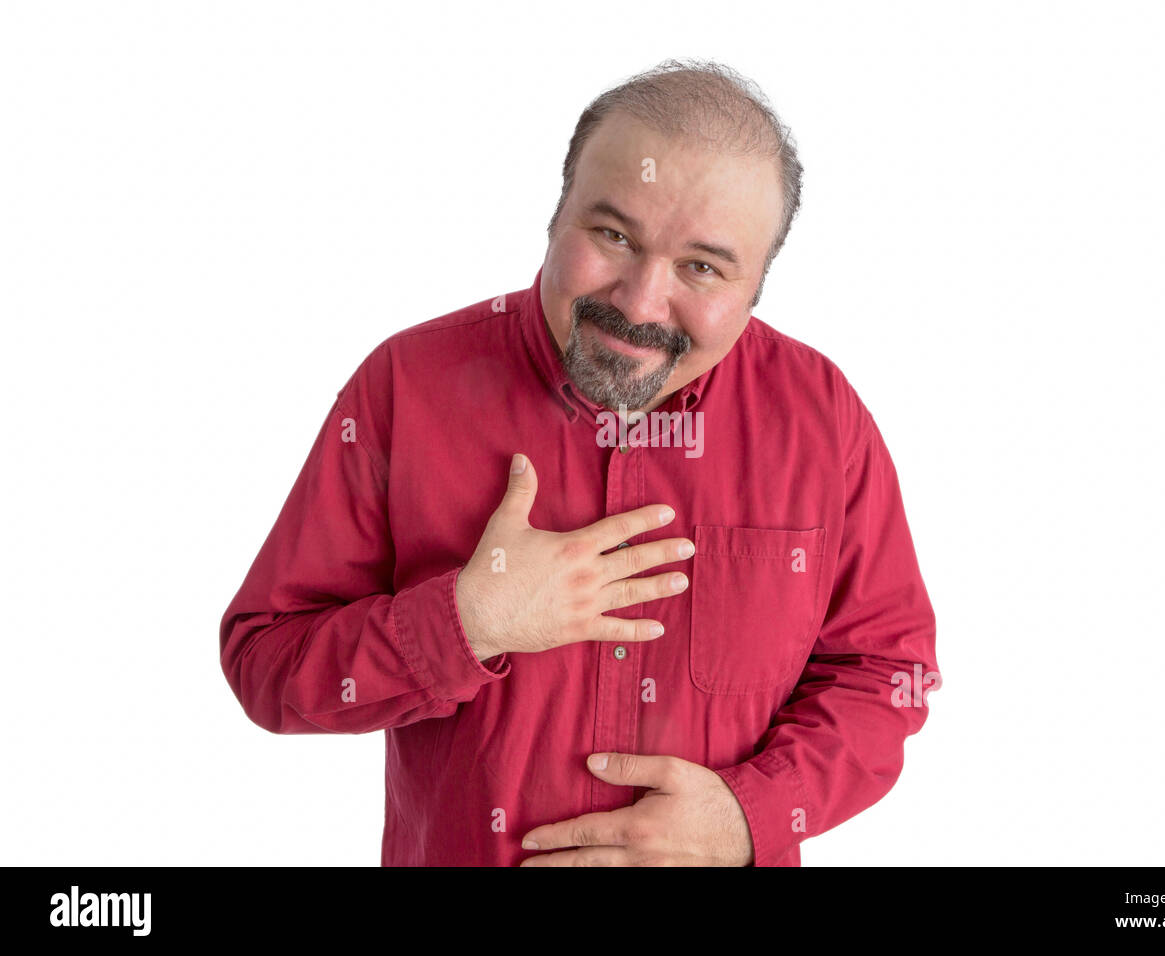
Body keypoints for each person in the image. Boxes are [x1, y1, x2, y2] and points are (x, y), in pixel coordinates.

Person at [220, 58, 939, 866]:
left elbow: (886, 669)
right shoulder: (406, 388)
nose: (638, 302)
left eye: (701, 267)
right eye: (613, 235)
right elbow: (265, 663)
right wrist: (466, 621)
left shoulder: (824, 418)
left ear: (758, 286)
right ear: (557, 214)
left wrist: (752, 814)